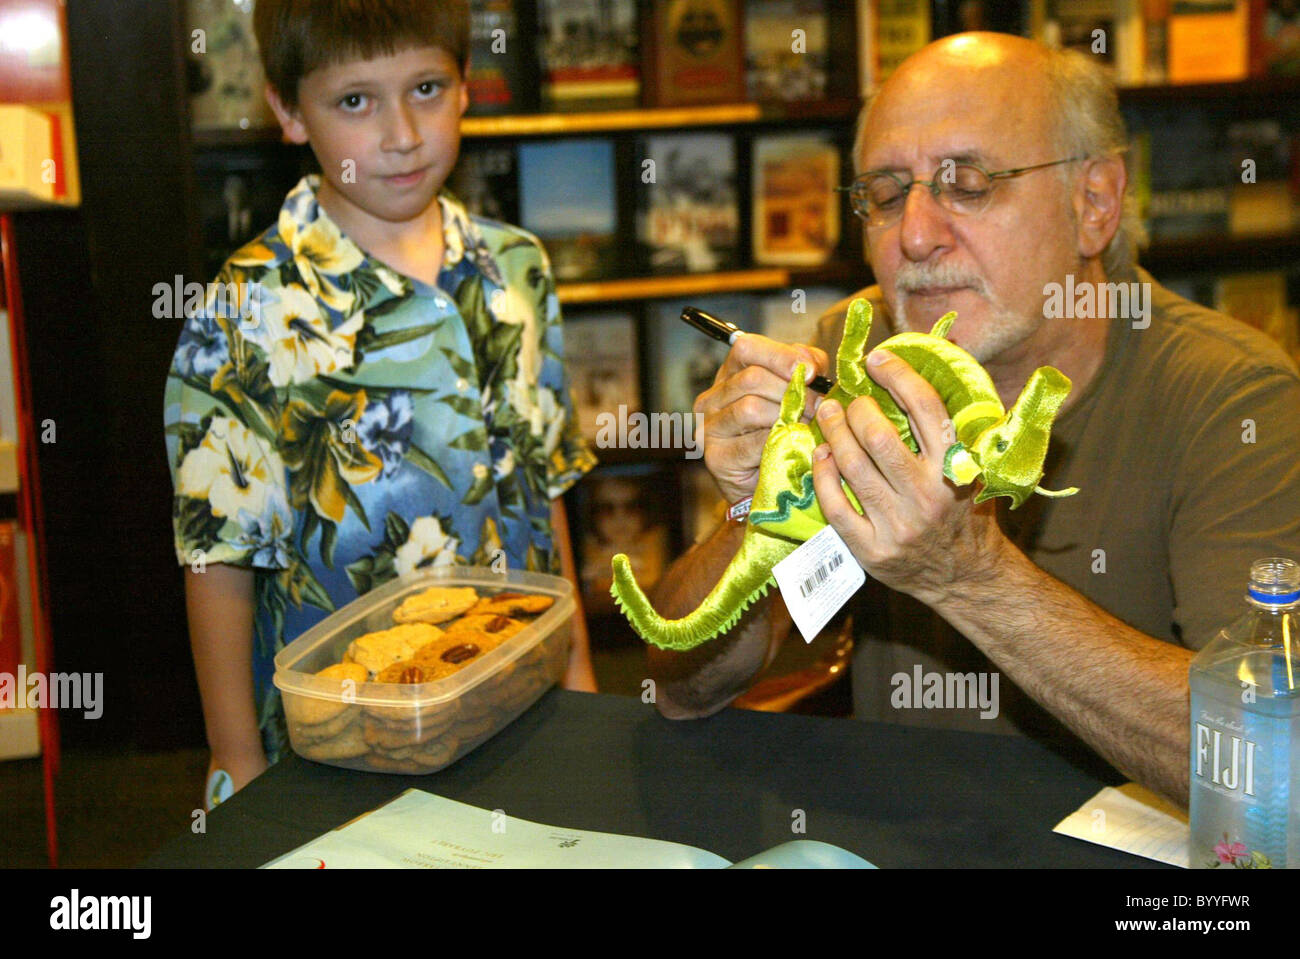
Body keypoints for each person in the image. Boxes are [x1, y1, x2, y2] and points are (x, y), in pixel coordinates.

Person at [646, 32, 1300, 808]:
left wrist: (967, 575)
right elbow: (677, 689)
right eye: (887, 194)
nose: (915, 235)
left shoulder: (1234, 400)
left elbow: (1272, 765)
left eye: (970, 182)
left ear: (1093, 204)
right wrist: (752, 513)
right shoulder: (853, 358)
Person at [164, 0, 597, 800]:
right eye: (355, 101)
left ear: (468, 88)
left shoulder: (517, 268)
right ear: (288, 113)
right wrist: (235, 761)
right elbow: (215, 558)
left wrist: (577, 673)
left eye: (426, 87)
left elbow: (544, 488)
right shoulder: (245, 308)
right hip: (341, 746)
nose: (401, 133)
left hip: (517, 696)